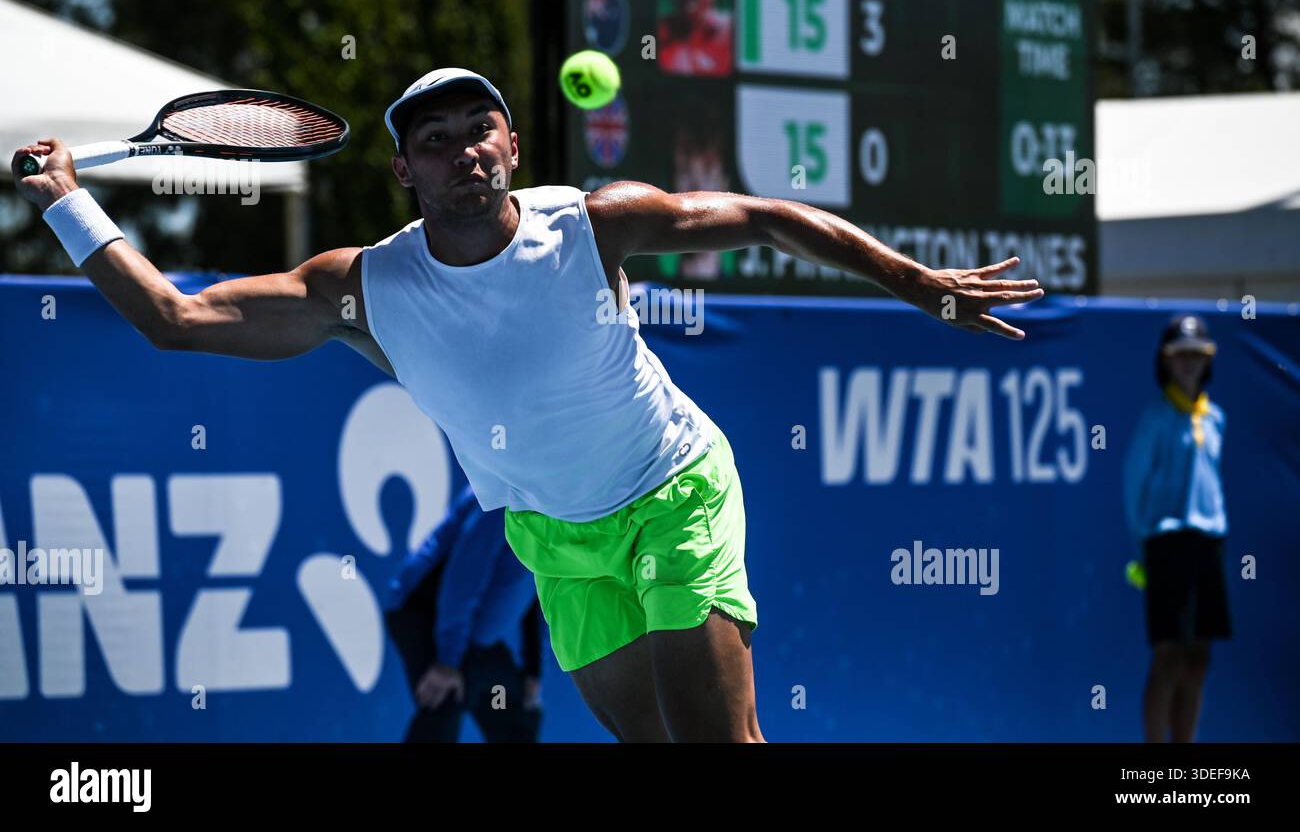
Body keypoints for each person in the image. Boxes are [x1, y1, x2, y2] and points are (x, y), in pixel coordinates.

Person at [13, 66, 1043, 742]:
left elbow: (770, 218)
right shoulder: (361, 288)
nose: (464, 148)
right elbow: (169, 319)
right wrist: (65, 198)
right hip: (553, 540)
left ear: (509, 143)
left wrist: (922, 284)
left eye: (480, 128)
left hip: (674, 491)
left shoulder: (596, 223)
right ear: (404, 168)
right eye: (435, 137)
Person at [1123, 314, 1232, 743]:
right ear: (1166, 362)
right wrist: (1143, 547)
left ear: (1207, 361)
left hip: (1209, 546)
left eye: (1196, 355)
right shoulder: (1156, 418)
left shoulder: (1216, 418)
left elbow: (1213, 486)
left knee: (1199, 656)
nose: (1188, 363)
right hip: (1166, 546)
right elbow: (1134, 487)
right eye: (1180, 355)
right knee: (1167, 655)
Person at [385, 483, 543, 743]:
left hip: (475, 640)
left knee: (517, 716)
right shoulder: (499, 496)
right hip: (423, 614)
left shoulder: (547, 503)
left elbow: (536, 582)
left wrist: (533, 670)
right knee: (444, 701)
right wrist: (448, 660)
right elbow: (463, 579)